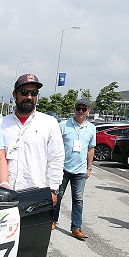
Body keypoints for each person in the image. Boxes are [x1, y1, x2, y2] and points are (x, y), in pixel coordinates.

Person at [0, 74, 65, 257]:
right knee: (3, 236)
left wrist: (54, 189)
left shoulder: (48, 123)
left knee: (29, 238)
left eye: (33, 93)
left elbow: (56, 158)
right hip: (5, 191)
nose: (29, 97)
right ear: (15, 95)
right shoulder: (1, 123)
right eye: (24, 92)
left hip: (34, 191)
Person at [53, 98, 96, 240]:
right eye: (79, 108)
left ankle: (76, 228)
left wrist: (89, 167)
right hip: (63, 168)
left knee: (78, 199)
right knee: (57, 196)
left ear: (88, 111)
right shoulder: (63, 125)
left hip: (80, 170)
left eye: (84, 109)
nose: (81, 111)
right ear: (74, 109)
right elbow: (55, 146)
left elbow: (91, 149)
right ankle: (53, 220)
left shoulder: (91, 128)